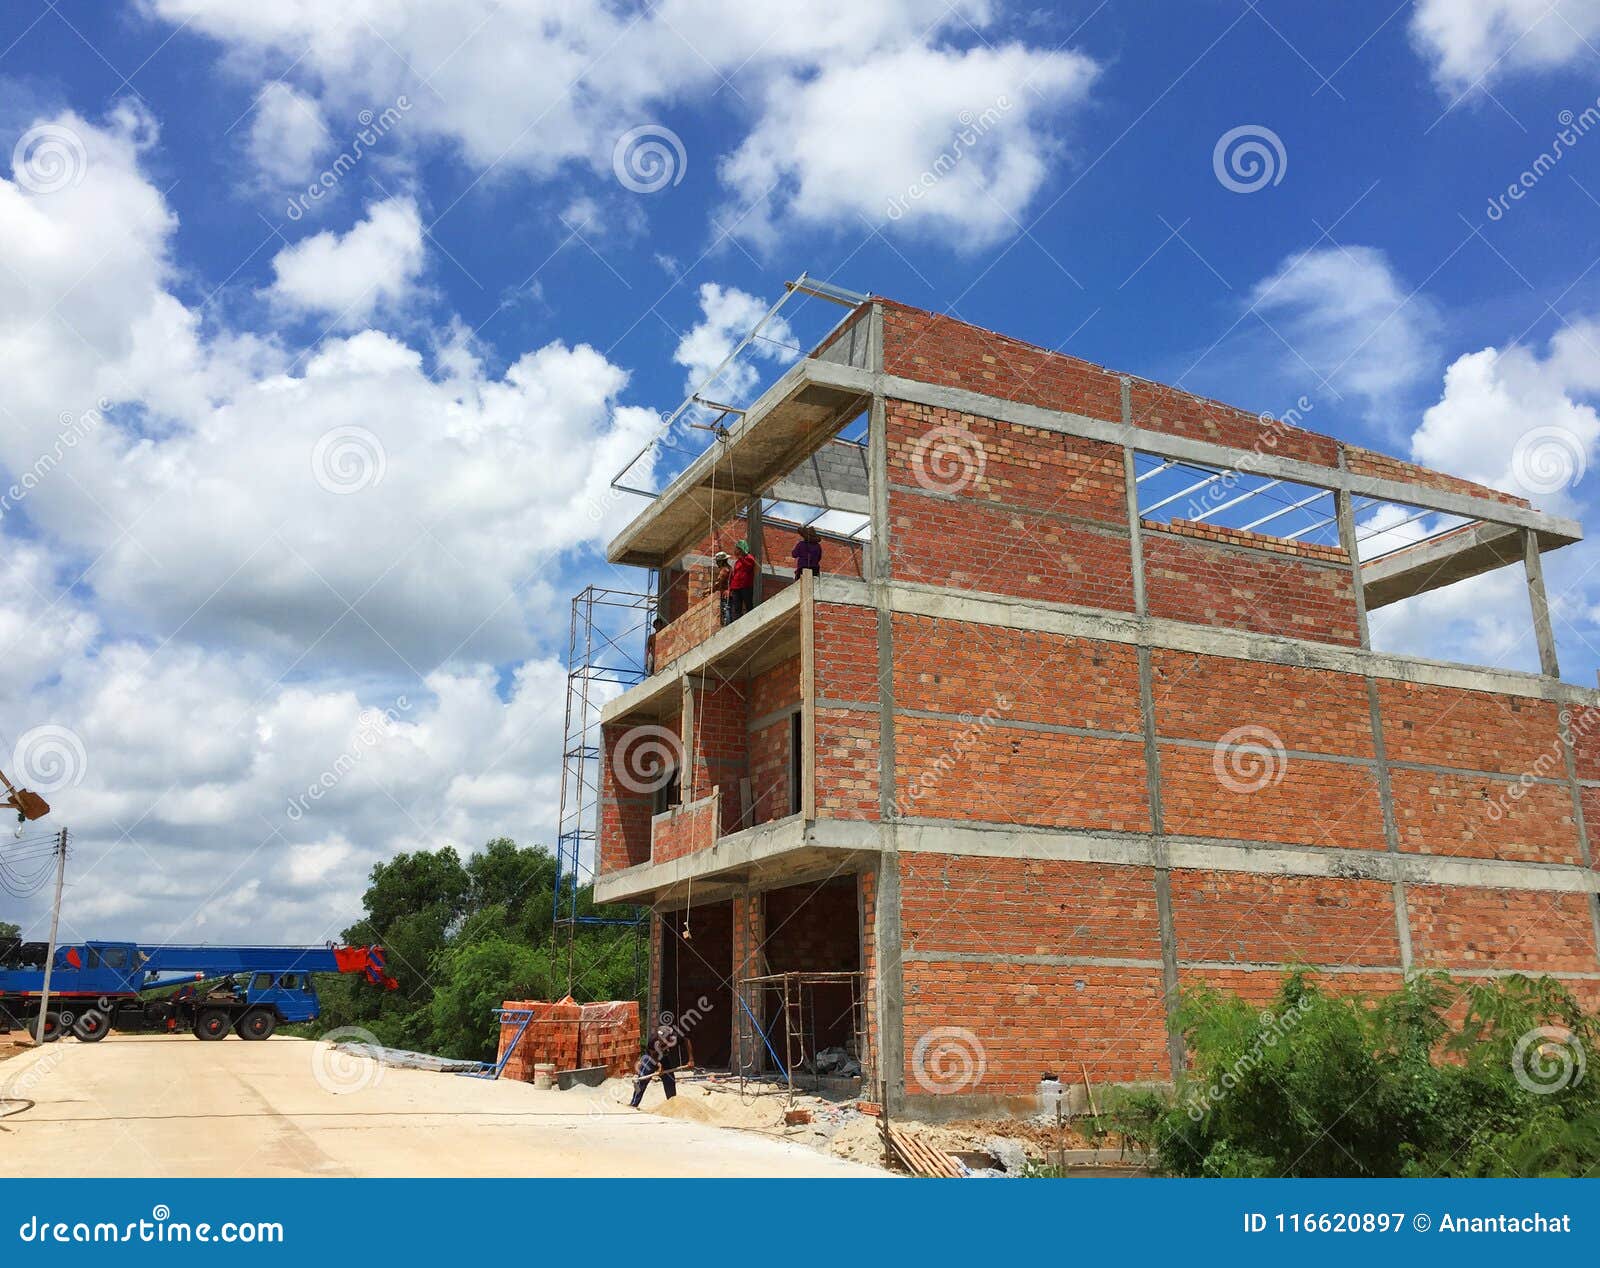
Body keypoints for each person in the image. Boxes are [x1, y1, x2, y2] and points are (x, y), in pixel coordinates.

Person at [629, 1022, 694, 1108]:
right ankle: (634, 1103)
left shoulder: (675, 1037)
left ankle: (672, 1104)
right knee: (642, 1081)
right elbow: (653, 1056)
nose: (662, 1041)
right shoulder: (653, 1040)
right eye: (660, 1039)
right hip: (650, 1059)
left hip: (664, 1057)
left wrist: (691, 1059)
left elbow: (687, 1041)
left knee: (670, 1081)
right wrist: (659, 1066)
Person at [727, 539, 756, 621]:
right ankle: (736, 622)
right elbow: (733, 576)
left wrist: (741, 558)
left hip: (746, 586)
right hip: (736, 587)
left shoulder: (749, 558)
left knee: (748, 605)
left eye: (738, 549)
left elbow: (749, 567)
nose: (736, 551)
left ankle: (750, 621)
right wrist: (731, 588)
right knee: (737, 607)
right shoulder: (737, 562)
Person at [711, 550, 732, 626]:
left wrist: (709, 591)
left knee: (726, 609)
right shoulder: (730, 568)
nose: (716, 563)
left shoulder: (724, 570)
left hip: (726, 594)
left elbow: (718, 583)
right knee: (729, 608)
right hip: (731, 593)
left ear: (722, 561)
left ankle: (727, 625)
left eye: (717, 561)